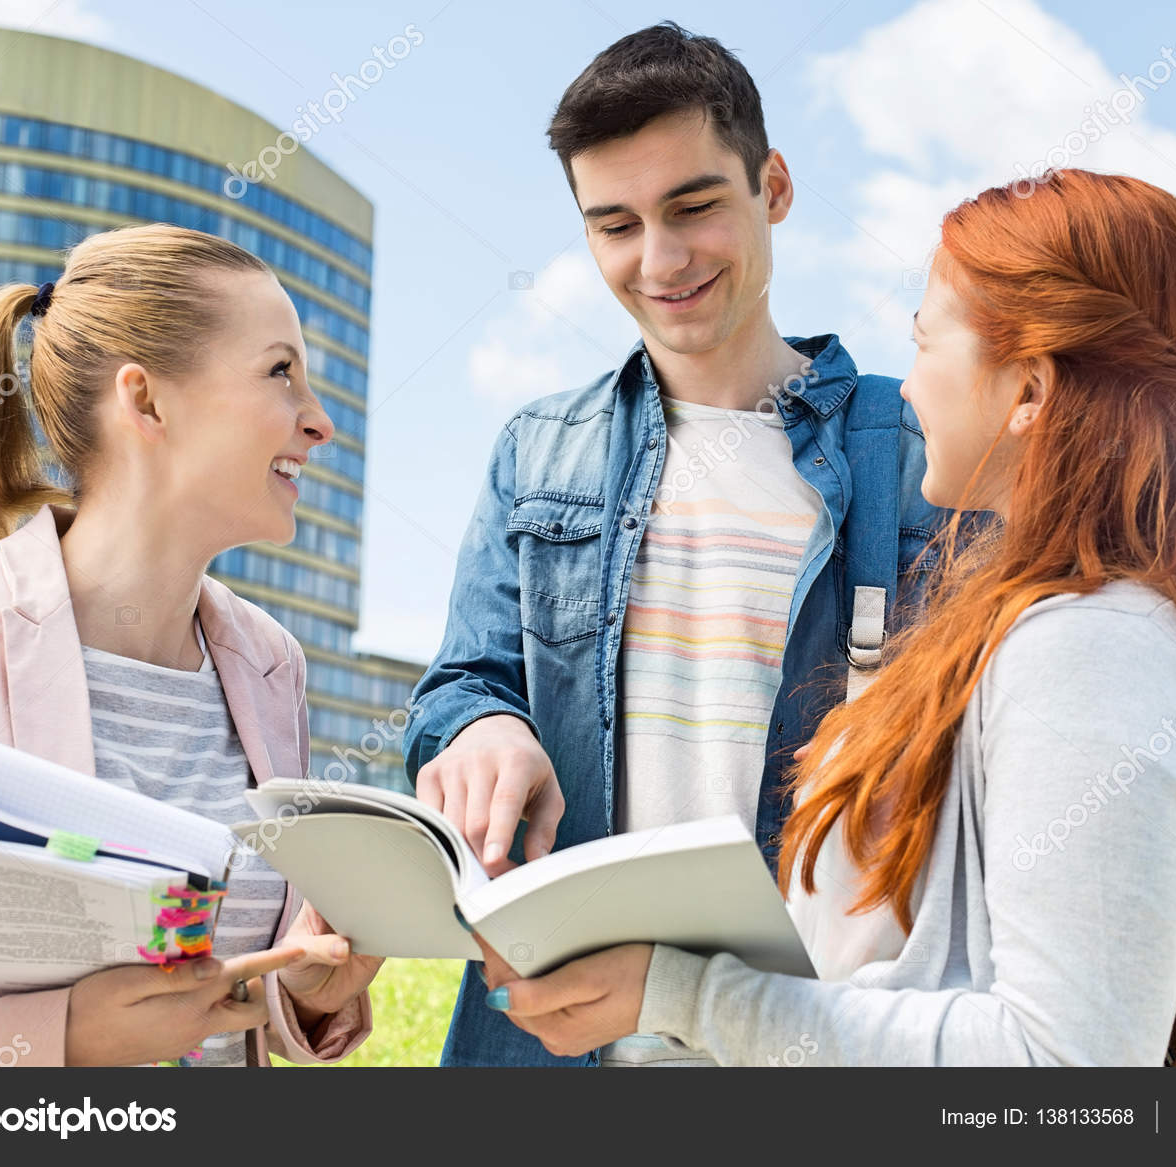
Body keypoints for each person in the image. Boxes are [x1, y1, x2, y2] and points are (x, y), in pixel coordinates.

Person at [478, 168, 1176, 1066]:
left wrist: (682, 993)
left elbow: (1060, 1065)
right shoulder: (1061, 622)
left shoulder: (1093, 649)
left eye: (924, 341)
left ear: (1029, 390)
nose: (905, 389)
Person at [404, 21, 945, 1066]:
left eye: (693, 207)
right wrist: (479, 729)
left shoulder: (916, 451)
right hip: (560, 1050)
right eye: (615, 225)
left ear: (773, 187)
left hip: (816, 1041)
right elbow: (459, 688)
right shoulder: (537, 453)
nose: (659, 261)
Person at [0, 222, 380, 1066]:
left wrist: (301, 993)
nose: (320, 422)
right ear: (147, 401)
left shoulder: (271, 666)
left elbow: (210, 1011)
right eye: (281, 372)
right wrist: (60, 1036)